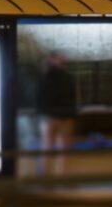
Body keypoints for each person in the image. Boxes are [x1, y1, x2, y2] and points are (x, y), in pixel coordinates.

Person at [37, 51, 77, 179]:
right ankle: (62, 178)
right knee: (64, 151)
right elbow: (73, 97)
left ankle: (45, 178)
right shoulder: (68, 78)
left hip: (49, 117)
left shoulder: (44, 78)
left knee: (47, 149)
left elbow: (39, 98)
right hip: (65, 117)